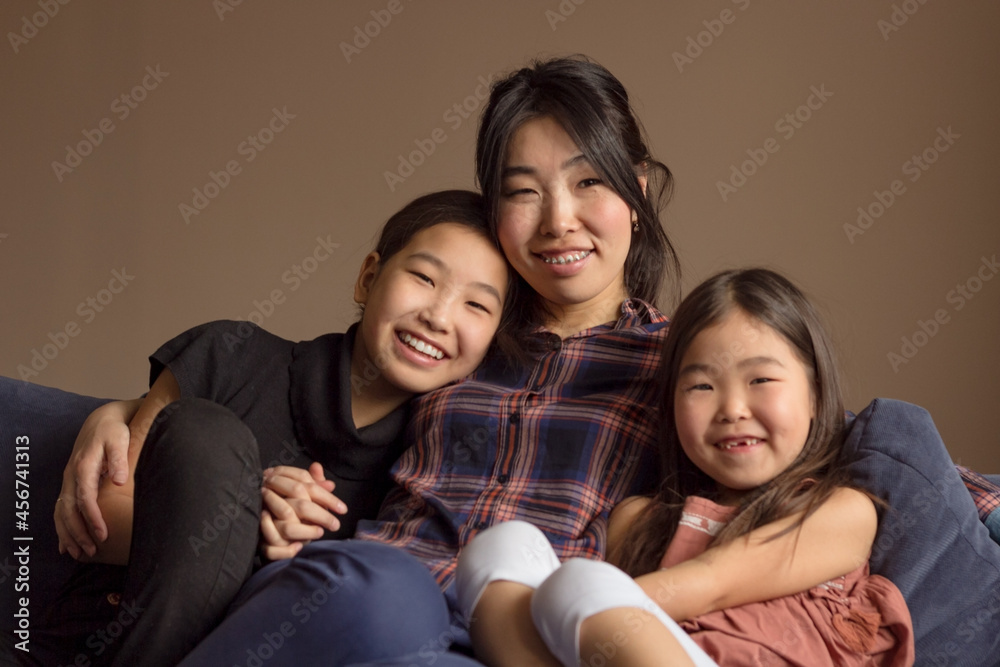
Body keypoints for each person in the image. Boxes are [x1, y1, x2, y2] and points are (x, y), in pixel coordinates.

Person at [173, 54, 683, 666]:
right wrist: (138, 414)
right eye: (523, 191)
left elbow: (819, 457)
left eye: (588, 182)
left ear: (638, 191)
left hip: (502, 643)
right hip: (346, 602)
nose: (558, 221)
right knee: (386, 589)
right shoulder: (457, 334)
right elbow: (307, 391)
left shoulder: (682, 366)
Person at [33, 189, 511, 667]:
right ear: (368, 278)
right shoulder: (230, 355)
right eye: (424, 277)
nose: (439, 316)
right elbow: (101, 519)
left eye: (476, 306)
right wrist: (235, 510)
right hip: (93, 645)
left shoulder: (432, 464)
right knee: (207, 437)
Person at [456, 268, 915, 666]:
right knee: (500, 548)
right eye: (700, 386)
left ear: (815, 394)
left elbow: (713, 583)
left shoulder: (841, 511)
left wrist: (570, 604)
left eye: (760, 379)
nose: (732, 408)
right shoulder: (639, 520)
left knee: (577, 584)